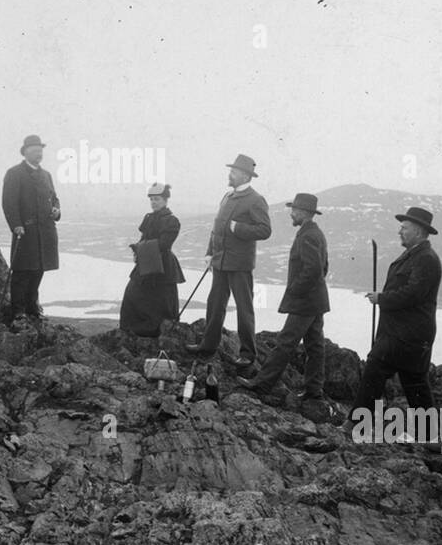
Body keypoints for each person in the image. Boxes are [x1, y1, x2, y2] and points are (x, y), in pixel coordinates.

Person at [351, 206, 442, 425]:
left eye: (404, 228)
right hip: (404, 334)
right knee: (415, 383)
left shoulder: (426, 258)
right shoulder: (415, 255)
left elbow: (413, 293)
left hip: (406, 335)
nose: (399, 232)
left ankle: (355, 423)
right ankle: (432, 435)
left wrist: (381, 299)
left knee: (376, 368)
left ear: (419, 231)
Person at [236, 192, 329, 402]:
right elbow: (324, 267)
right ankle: (314, 390)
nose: (291, 214)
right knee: (315, 346)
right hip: (316, 300)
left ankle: (261, 384)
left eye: (294, 210)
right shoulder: (315, 233)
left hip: (305, 301)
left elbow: (314, 269)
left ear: (304, 213)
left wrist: (296, 290)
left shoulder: (308, 235)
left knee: (285, 343)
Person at [186, 154, 271, 367]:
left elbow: (265, 230)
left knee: (244, 308)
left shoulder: (256, 200)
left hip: (240, 265)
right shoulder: (227, 197)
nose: (229, 175)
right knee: (215, 304)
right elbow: (217, 229)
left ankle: (248, 354)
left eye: (233, 172)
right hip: (220, 262)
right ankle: (208, 346)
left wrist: (238, 228)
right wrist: (209, 252)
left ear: (244, 176)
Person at [1, 134, 61, 324]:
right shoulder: (14, 173)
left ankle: (31, 307)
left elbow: (55, 198)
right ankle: (18, 310)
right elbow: (8, 202)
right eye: (35, 150)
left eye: (40, 150)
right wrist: (16, 225)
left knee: (39, 270)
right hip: (25, 231)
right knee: (22, 271)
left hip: (45, 232)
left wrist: (56, 210)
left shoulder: (46, 175)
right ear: (25, 152)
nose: (39, 153)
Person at [119, 182, 186, 337]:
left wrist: (139, 248)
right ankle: (134, 329)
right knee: (132, 293)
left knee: (161, 300)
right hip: (146, 261)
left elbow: (164, 244)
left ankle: (156, 330)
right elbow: (144, 237)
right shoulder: (149, 218)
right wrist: (138, 248)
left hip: (163, 266)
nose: (154, 202)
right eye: (152, 199)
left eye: (157, 199)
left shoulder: (172, 221)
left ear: (165, 200)